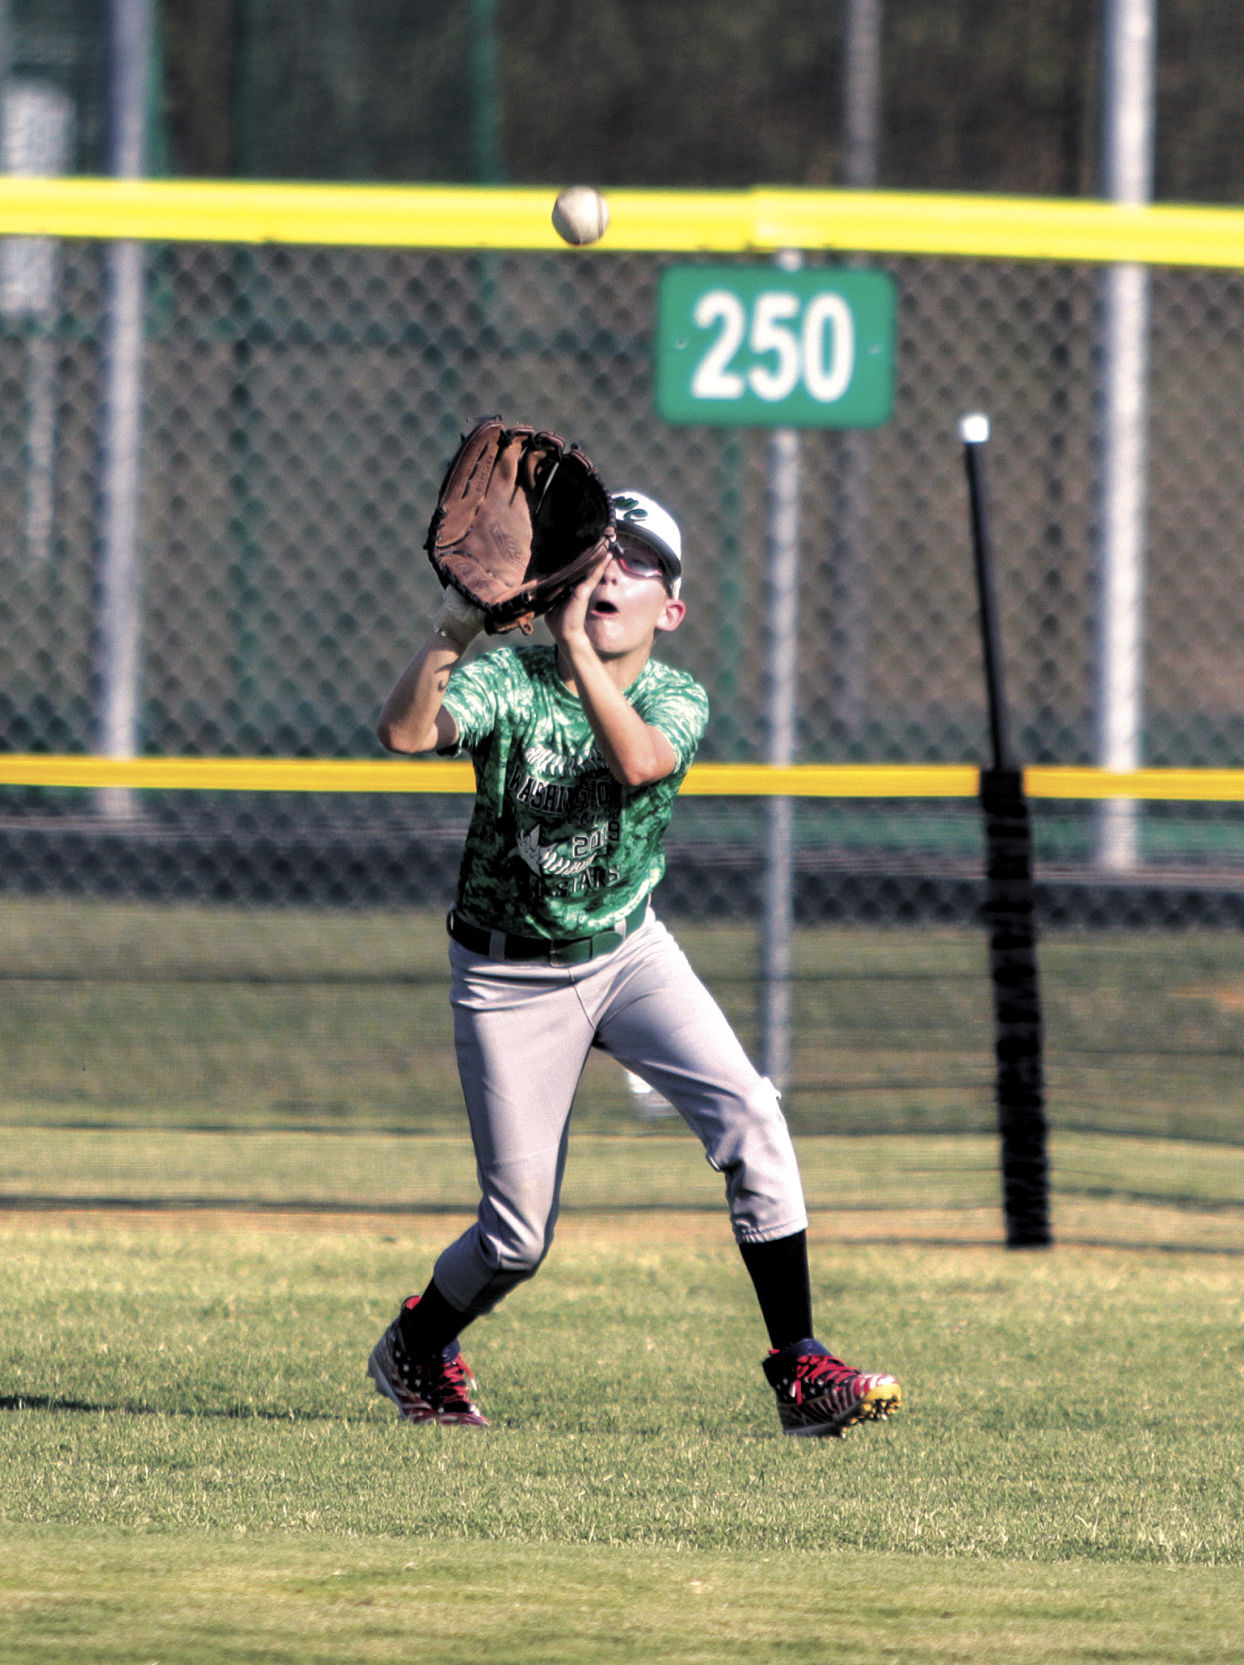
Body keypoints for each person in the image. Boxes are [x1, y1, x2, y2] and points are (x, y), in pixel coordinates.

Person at [367, 487, 901, 1438]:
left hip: (626, 952)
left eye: (643, 560)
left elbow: (641, 763)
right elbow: (406, 733)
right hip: (507, 975)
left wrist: (575, 646)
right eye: (604, 552)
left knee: (752, 1116)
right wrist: (455, 627)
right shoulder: (512, 680)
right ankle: (417, 1341)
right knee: (517, 1237)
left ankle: (800, 1369)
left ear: (673, 608)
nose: (616, 569)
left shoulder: (674, 694)